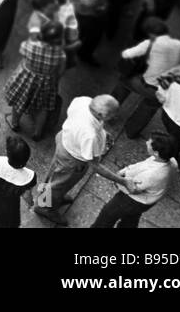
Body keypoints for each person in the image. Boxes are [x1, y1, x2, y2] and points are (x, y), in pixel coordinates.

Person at [33, 94, 122, 225]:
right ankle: (45, 207)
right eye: (112, 114)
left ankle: (46, 199)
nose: (114, 117)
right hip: (73, 160)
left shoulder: (83, 101)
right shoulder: (90, 135)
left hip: (64, 141)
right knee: (59, 184)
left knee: (53, 176)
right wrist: (122, 181)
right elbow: (95, 164)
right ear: (101, 114)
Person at [90, 132, 178, 228]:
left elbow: (132, 189)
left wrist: (119, 180)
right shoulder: (171, 161)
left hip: (133, 201)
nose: (146, 142)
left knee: (108, 214)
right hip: (147, 200)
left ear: (156, 153)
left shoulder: (153, 175)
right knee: (131, 217)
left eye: (149, 142)